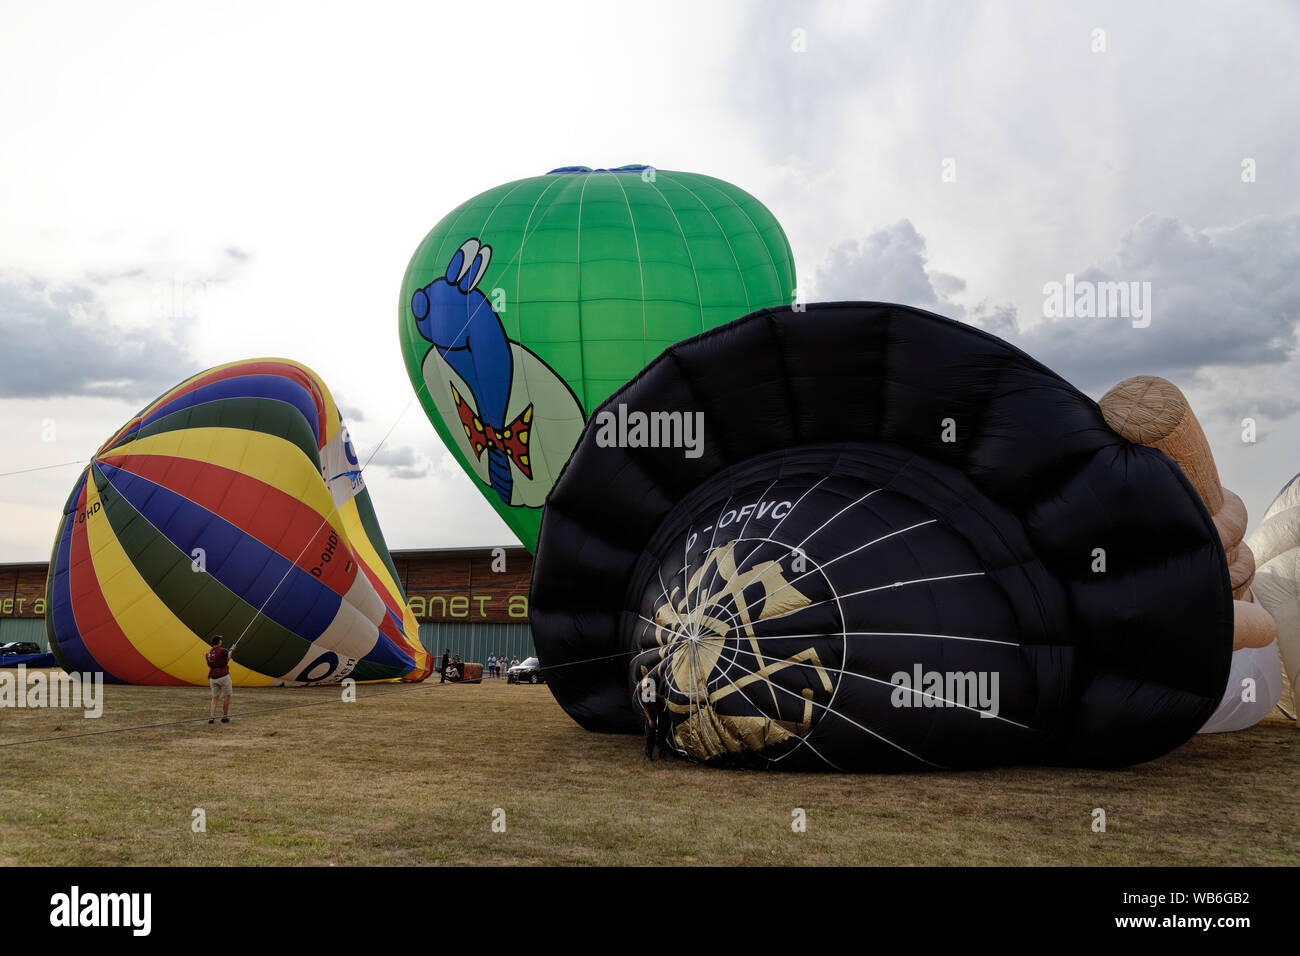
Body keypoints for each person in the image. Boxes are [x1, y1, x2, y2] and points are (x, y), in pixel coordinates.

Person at [639, 668, 670, 761]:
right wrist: (649, 720)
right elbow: (645, 709)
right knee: (650, 736)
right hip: (651, 714)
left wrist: (658, 696)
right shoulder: (645, 695)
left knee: (662, 735)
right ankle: (648, 756)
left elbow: (664, 699)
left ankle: (662, 756)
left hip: (661, 712)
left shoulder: (658, 693)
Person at [206, 635, 233, 724]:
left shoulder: (208, 653)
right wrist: (232, 650)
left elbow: (210, 663)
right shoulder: (223, 651)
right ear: (219, 642)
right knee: (227, 696)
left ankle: (211, 717)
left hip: (213, 678)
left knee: (214, 698)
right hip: (224, 676)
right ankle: (224, 717)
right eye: (220, 639)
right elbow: (228, 658)